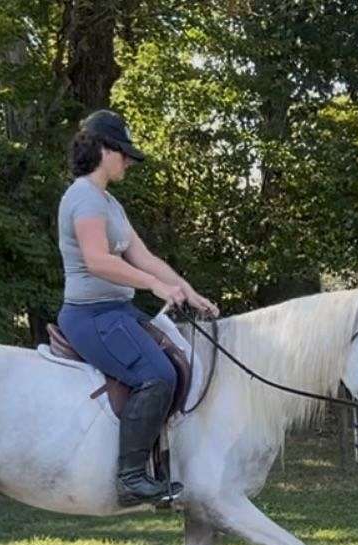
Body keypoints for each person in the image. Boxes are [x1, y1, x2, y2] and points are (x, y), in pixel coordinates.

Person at [56, 109, 219, 507]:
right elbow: (97, 260)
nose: (128, 161)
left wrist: (188, 290)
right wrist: (154, 285)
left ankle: (162, 461)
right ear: (101, 149)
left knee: (179, 360)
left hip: (118, 313)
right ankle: (130, 478)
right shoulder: (83, 198)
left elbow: (144, 257)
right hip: (90, 316)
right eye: (123, 153)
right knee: (158, 374)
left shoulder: (110, 203)